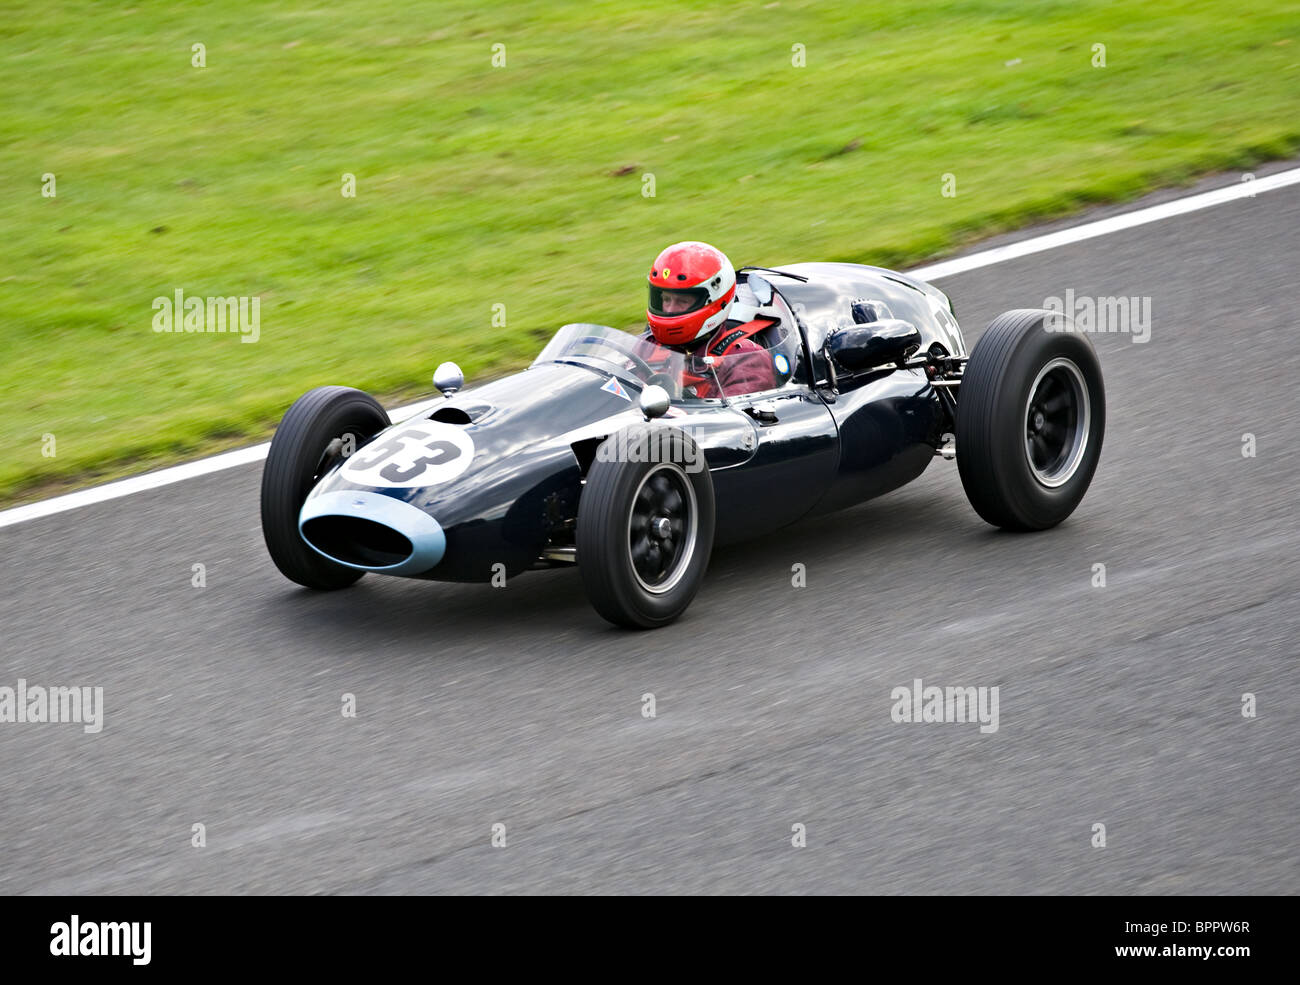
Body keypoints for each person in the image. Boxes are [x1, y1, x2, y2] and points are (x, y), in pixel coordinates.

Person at [642, 241, 779, 398]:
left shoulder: (747, 360)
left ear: (715, 302)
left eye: (682, 302)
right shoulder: (649, 345)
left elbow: (729, 421)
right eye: (666, 299)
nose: (670, 310)